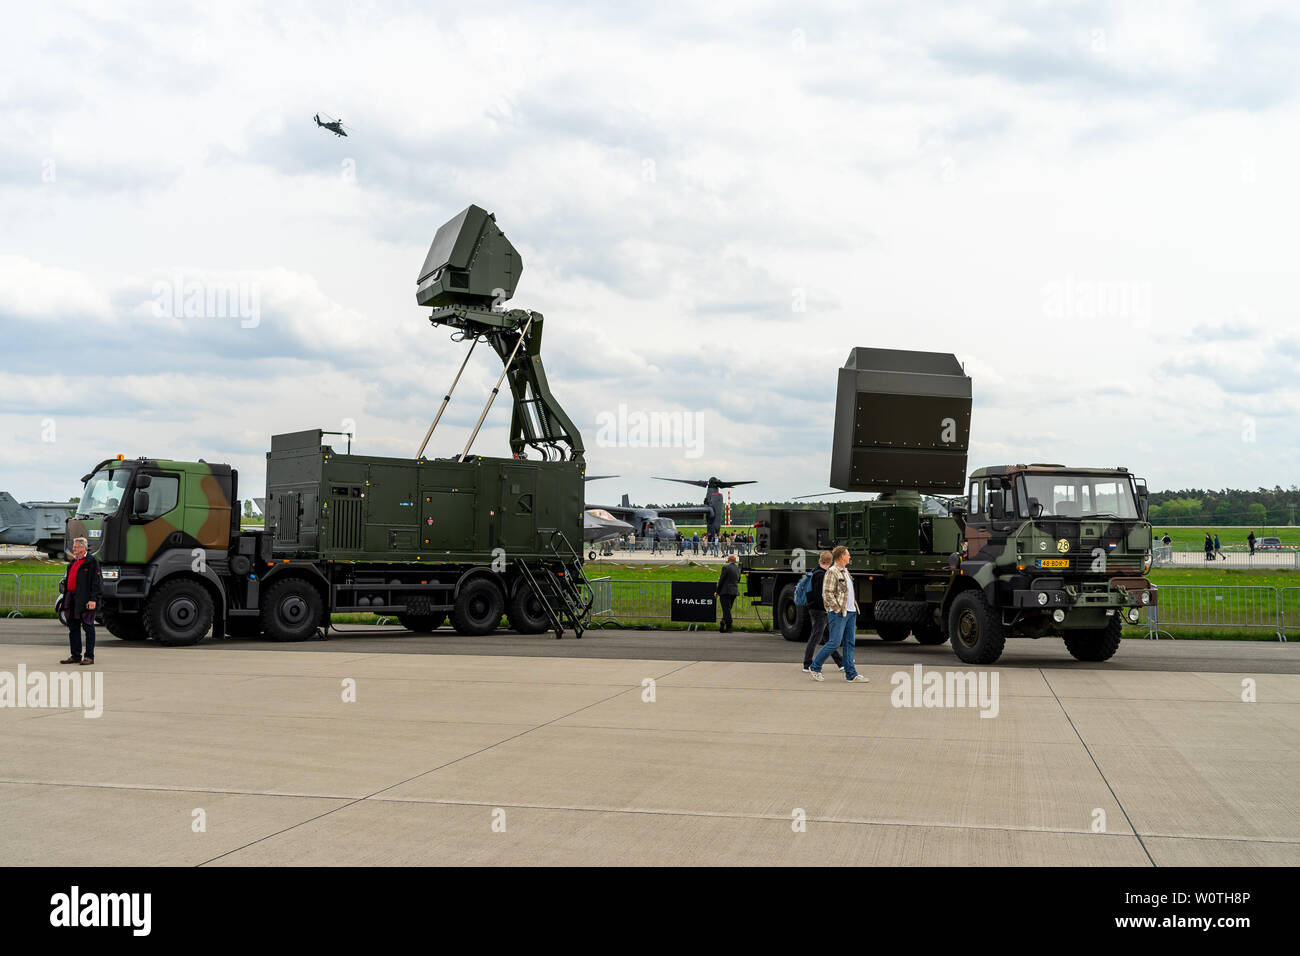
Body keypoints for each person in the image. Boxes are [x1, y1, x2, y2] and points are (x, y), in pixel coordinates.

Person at [810, 546, 868, 683]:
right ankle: (815, 667)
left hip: (851, 612)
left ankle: (851, 675)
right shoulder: (832, 572)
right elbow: (827, 593)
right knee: (834, 642)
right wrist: (836, 609)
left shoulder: (846, 571)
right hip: (839, 613)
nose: (849, 557)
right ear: (841, 556)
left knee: (849, 643)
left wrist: (853, 606)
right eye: (848, 554)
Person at [59, 536, 102, 666]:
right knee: (73, 627)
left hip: (85, 599)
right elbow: (68, 581)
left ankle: (89, 656)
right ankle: (75, 655)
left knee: (88, 627)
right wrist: (64, 598)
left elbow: (97, 582)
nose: (73, 548)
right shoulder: (73, 562)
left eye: (76, 547)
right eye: (74, 546)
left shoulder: (91, 561)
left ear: (83, 547)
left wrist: (93, 599)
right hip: (71, 598)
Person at [803, 551, 842, 673]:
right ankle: (807, 664)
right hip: (820, 610)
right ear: (830, 562)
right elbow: (820, 595)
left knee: (828, 637)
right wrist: (826, 609)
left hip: (815, 608)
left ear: (820, 560)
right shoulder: (822, 575)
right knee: (816, 636)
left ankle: (840, 662)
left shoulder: (815, 571)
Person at [715, 554, 741, 632]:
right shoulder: (738, 568)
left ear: (728, 560)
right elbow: (738, 579)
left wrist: (717, 591)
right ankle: (723, 622)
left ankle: (729, 626)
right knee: (728, 609)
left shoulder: (726, 567)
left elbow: (721, 580)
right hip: (734, 591)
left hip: (725, 591)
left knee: (726, 609)